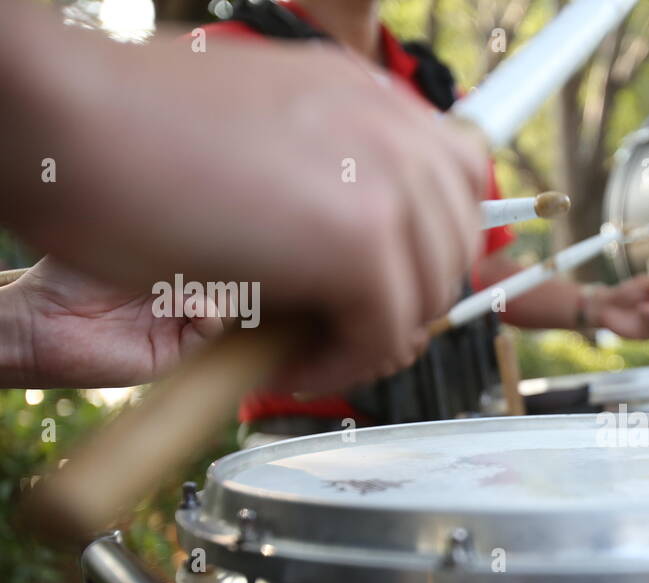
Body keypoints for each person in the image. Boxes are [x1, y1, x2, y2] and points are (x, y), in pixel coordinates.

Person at [201, 0, 649, 442]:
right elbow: (166, 260)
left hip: (455, 443)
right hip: (307, 450)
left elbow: (483, 275)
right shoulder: (215, 61)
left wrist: (595, 305)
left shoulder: (437, 91)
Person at [0, 0, 487, 393]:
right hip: (296, 426)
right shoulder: (217, 54)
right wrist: (83, 91)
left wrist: (31, 328)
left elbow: (485, 262)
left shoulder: (435, 84)